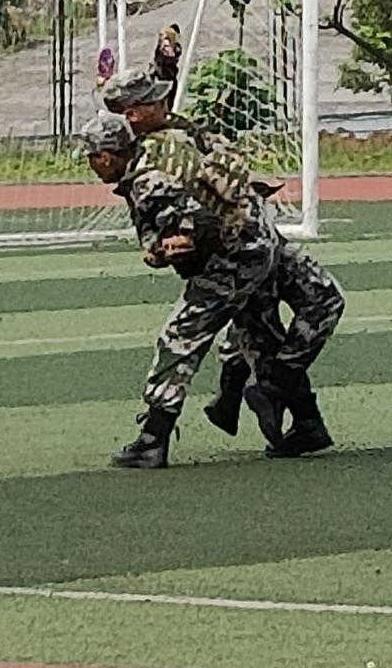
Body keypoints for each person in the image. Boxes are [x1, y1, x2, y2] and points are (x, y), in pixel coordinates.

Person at [92, 62, 345, 469]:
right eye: (155, 96)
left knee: (181, 337)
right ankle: (299, 417)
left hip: (236, 252)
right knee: (271, 325)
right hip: (260, 238)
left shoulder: (152, 162)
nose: (163, 100)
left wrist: (178, 242)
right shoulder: (177, 134)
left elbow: (194, 221)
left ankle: (154, 437)